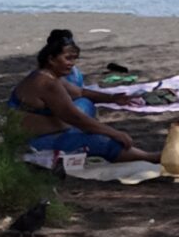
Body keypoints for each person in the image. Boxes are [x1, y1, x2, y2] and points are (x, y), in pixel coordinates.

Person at [10, 29, 155, 164]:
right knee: (102, 141)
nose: (71, 64)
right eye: (67, 59)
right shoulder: (47, 83)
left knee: (85, 102)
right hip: (35, 141)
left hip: (60, 127)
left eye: (74, 59)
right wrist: (115, 133)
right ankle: (150, 157)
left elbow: (80, 93)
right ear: (52, 59)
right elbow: (75, 118)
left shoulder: (50, 76)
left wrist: (114, 98)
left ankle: (86, 133)